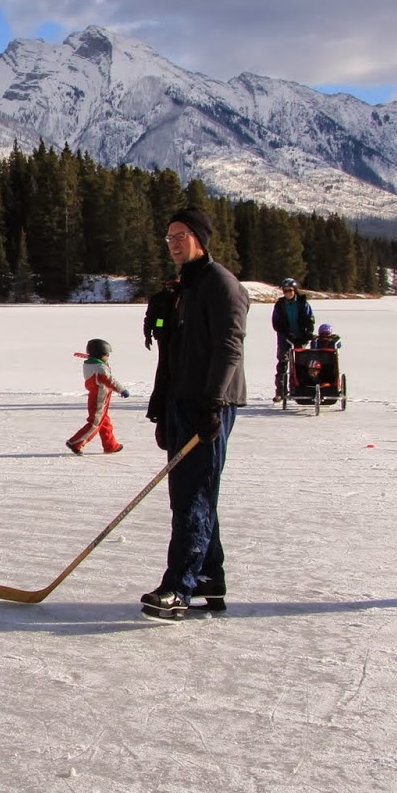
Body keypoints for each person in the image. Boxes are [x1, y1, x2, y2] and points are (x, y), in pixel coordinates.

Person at [143, 208, 248, 620]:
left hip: (208, 404)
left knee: (193, 496)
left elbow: (229, 349)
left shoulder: (222, 285)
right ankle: (209, 578)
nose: (173, 243)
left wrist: (213, 403)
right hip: (181, 401)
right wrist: (160, 399)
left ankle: (179, 587)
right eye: (168, 237)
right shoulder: (182, 287)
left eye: (180, 235)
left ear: (200, 237)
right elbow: (172, 351)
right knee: (192, 493)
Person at [66, 339, 130, 455]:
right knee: (95, 423)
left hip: (98, 396)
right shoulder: (100, 369)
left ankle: (110, 445)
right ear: (100, 355)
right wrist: (122, 390)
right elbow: (110, 381)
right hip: (100, 398)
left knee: (104, 421)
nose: (108, 357)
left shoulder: (91, 364)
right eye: (107, 354)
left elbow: (99, 366)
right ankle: (76, 442)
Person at [270, 278, 315, 402]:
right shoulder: (280, 305)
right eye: (285, 291)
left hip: (300, 338)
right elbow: (276, 323)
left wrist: (308, 333)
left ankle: (298, 389)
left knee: (300, 364)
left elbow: (309, 318)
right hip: (285, 338)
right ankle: (280, 392)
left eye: (290, 290)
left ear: (294, 290)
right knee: (283, 364)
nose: (288, 293)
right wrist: (286, 333)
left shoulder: (302, 303)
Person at [142, 274, 178, 352]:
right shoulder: (158, 298)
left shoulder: (183, 297)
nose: (172, 286)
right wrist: (148, 336)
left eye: (175, 284)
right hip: (163, 333)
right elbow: (150, 318)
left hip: (179, 334)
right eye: (170, 283)